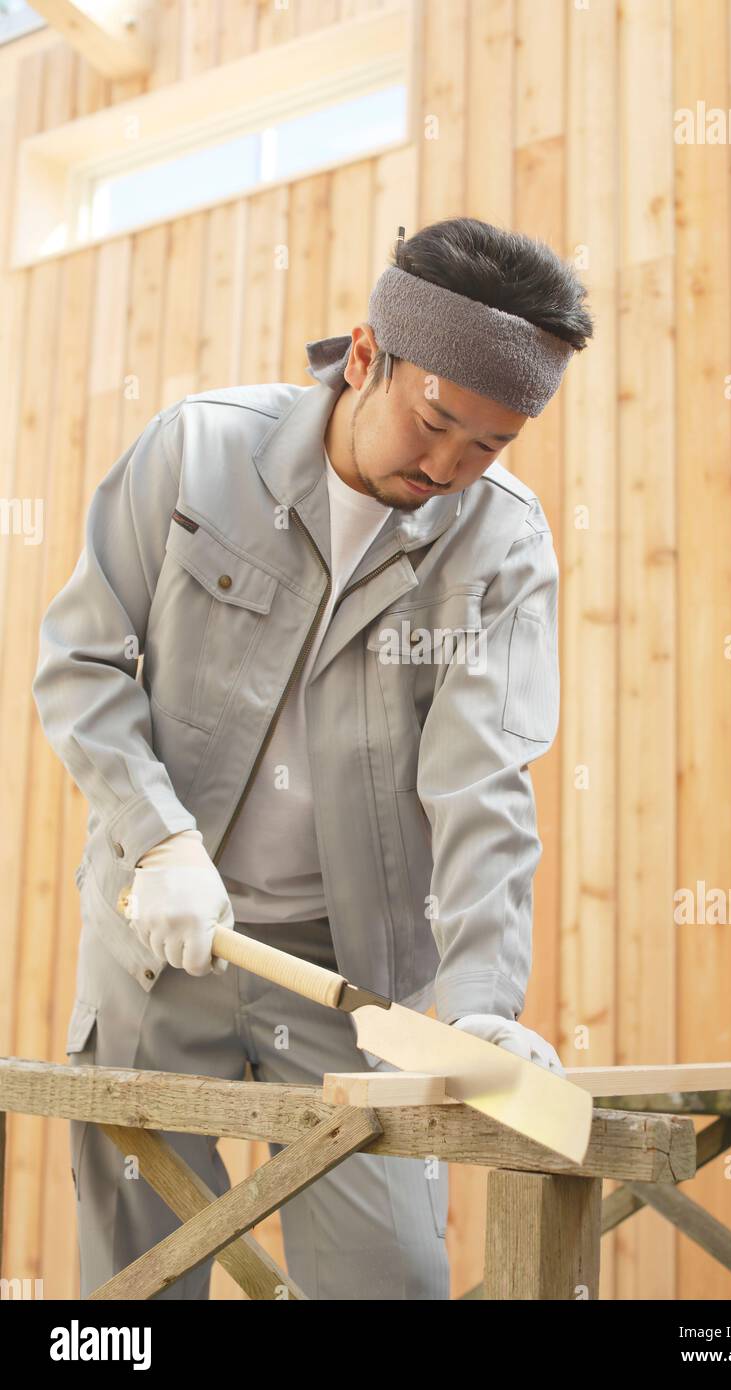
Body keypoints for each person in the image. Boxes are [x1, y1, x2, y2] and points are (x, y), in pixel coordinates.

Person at [31, 215, 593, 1300]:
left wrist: (478, 1002)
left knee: (391, 1279)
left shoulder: (502, 545)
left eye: (489, 445)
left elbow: (482, 781)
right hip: (161, 944)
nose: (448, 467)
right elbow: (81, 663)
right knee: (143, 1287)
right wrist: (158, 842)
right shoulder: (197, 449)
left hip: (356, 984)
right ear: (367, 355)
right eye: (434, 423)